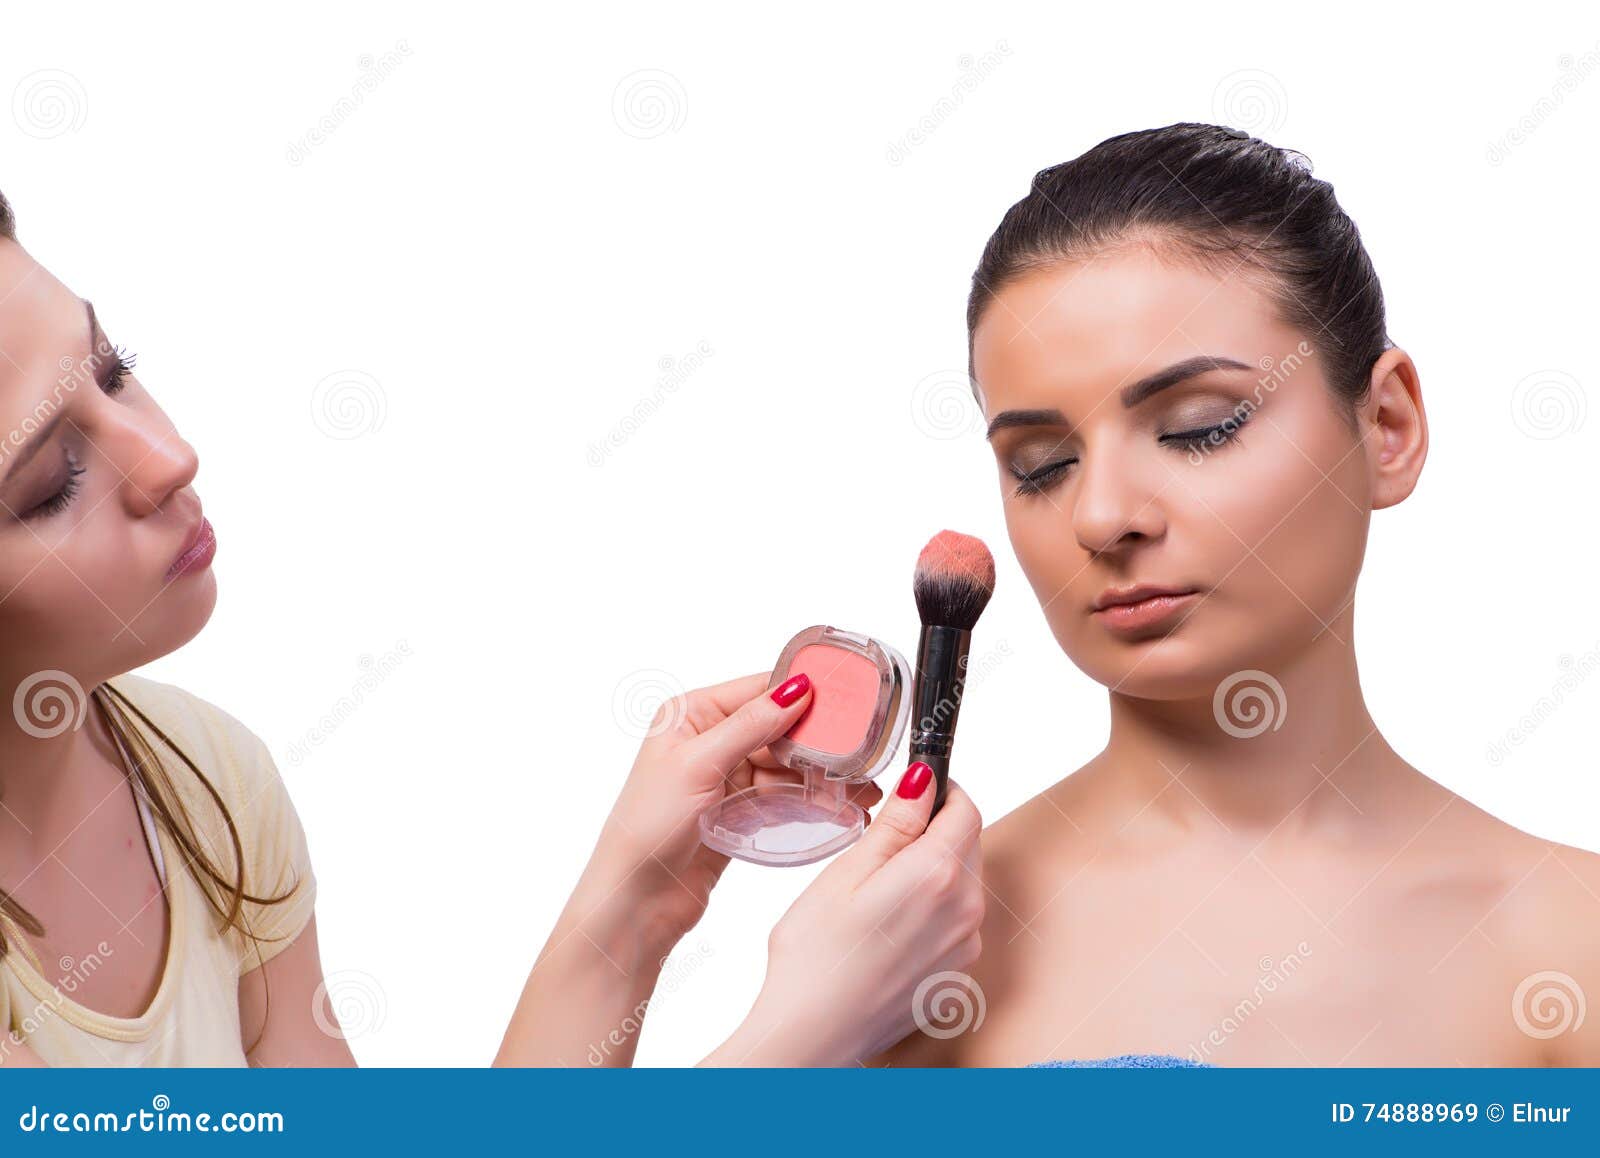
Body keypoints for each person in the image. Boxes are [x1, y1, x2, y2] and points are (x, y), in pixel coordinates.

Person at [0, 189, 984, 1067]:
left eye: (115, 370)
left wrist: (632, 910)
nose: (171, 455)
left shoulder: (202, 776)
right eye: (50, 484)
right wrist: (798, 1041)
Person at [870, 122, 1600, 1067]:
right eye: (1043, 465)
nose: (1102, 517)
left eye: (1200, 429)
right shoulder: (910, 957)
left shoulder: (1563, 949)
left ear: (1385, 425)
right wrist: (630, 918)